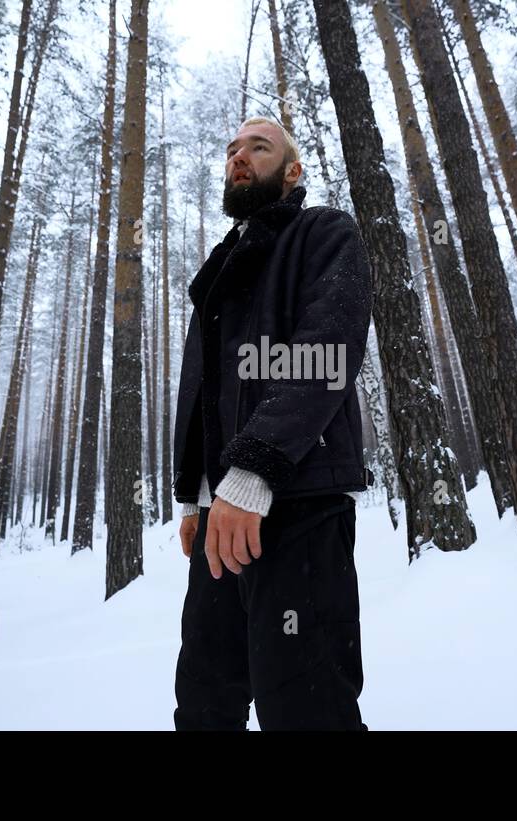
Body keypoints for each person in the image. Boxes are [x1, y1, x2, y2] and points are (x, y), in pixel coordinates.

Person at [171, 115, 372, 731]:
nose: (239, 157)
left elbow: (328, 349)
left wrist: (253, 470)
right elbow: (204, 391)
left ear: (292, 169)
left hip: (300, 505)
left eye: (259, 147)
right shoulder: (221, 266)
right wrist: (195, 495)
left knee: (307, 707)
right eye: (232, 148)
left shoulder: (324, 233)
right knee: (205, 703)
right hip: (220, 522)